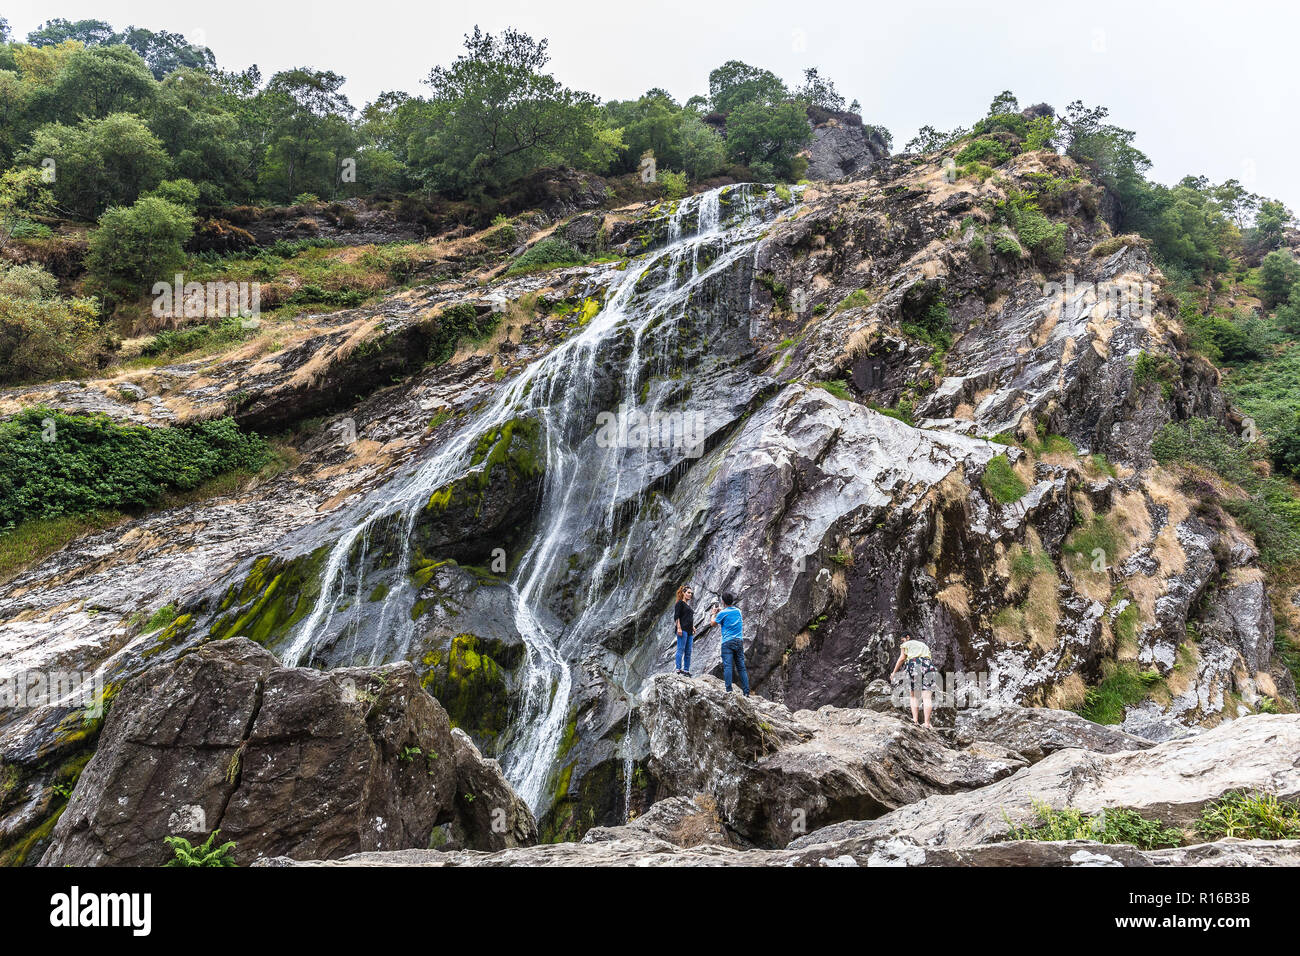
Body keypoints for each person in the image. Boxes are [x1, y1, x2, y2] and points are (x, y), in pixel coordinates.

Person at [889, 634, 937, 728]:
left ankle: (915, 720)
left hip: (915, 664)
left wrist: (894, 672)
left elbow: (902, 658)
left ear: (907, 637)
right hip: (928, 666)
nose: (902, 642)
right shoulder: (924, 645)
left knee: (914, 695)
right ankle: (927, 723)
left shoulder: (906, 644)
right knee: (927, 697)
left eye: (902, 639)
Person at [711, 592, 749, 696]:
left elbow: (712, 623)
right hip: (738, 641)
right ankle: (746, 692)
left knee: (728, 666)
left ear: (723, 601)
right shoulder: (738, 611)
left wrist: (714, 613)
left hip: (727, 642)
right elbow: (739, 620)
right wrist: (721, 612)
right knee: (741, 667)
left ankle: (729, 691)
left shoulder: (722, 613)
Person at [673, 585, 696, 675]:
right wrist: (678, 627)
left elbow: (688, 618)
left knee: (688, 651)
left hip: (689, 630)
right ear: (683, 593)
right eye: (688, 593)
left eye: (691, 593)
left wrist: (693, 626)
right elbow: (677, 616)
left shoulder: (687, 605)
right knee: (680, 649)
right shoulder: (679, 603)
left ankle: (686, 670)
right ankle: (678, 669)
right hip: (682, 629)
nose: (690, 595)